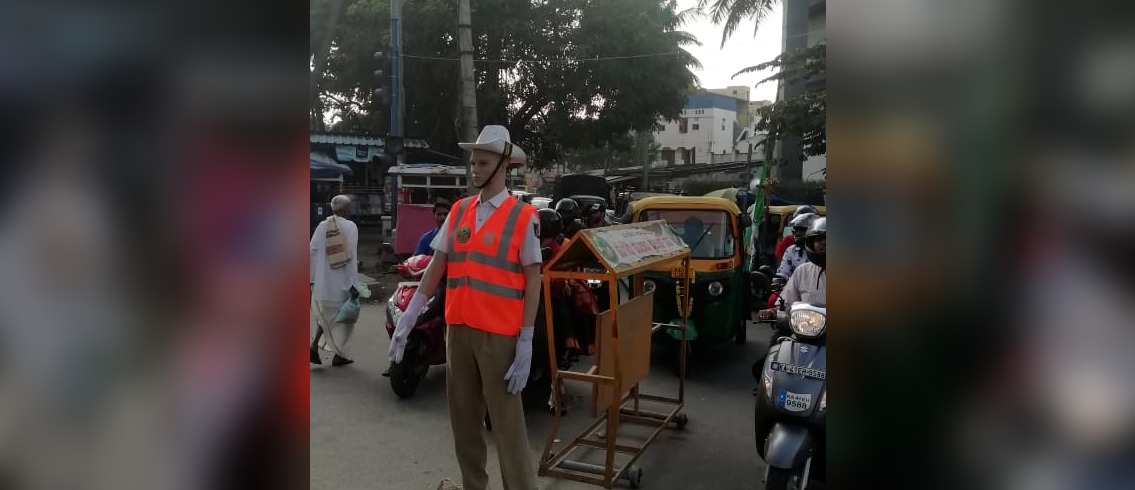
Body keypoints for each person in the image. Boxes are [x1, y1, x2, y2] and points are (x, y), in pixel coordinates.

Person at [390, 125, 542, 490]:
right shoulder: (459, 211)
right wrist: (410, 315)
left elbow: (534, 280)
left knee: (507, 427)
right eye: (473, 162)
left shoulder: (523, 217)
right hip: (457, 332)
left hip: (499, 338)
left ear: (503, 166)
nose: (475, 169)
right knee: (464, 424)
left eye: (483, 162)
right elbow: (437, 265)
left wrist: (526, 341)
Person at [309, 194, 361, 366]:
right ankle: (340, 355)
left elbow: (312, 251)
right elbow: (351, 257)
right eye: (350, 207)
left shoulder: (322, 226)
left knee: (326, 317)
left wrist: (312, 279)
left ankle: (315, 346)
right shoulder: (351, 227)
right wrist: (353, 283)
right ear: (346, 209)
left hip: (323, 283)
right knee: (345, 319)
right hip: (343, 283)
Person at [759, 216, 826, 319]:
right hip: (807, 325)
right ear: (811, 243)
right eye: (819, 239)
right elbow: (787, 304)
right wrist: (773, 311)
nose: (823, 243)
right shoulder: (802, 271)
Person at [775, 212, 818, 280]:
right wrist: (778, 280)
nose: (798, 233)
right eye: (796, 230)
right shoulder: (791, 250)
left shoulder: (821, 252)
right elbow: (783, 272)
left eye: (802, 230)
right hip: (793, 285)